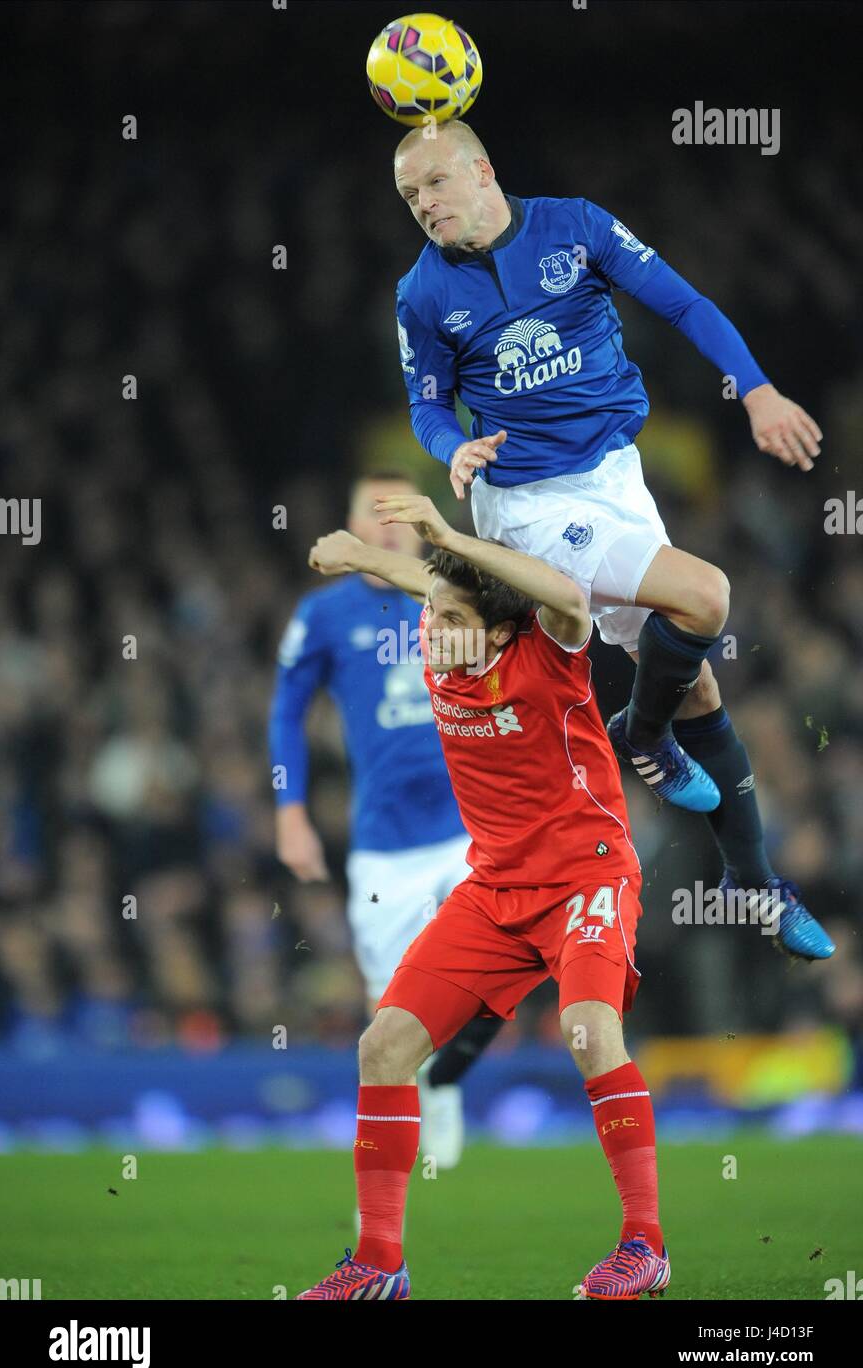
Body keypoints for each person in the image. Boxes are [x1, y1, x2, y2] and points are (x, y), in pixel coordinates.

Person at [391, 119, 833, 962]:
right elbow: (425, 403)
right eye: (412, 196)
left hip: (614, 480)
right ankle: (640, 736)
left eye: (437, 184)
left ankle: (756, 889)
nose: (425, 206)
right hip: (524, 505)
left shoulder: (576, 228)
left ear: (482, 170)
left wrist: (759, 391)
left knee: (696, 685)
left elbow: (683, 302)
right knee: (706, 595)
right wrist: (455, 449)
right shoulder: (420, 291)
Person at [296, 493, 669, 1302]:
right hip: (496, 887)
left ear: (500, 630)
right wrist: (364, 557)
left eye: (449, 616)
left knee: (585, 1026)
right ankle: (379, 1264)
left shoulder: (546, 654)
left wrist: (448, 535)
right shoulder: (450, 639)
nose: (429, 629)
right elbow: (425, 585)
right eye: (430, 612)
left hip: (587, 876)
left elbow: (569, 600)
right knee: (383, 1047)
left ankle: (644, 1245)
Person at [270, 471, 503, 1167]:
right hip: (383, 845)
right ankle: (406, 1145)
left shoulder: (452, 594)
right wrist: (290, 811)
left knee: (498, 974)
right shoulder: (323, 615)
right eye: (371, 513)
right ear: (348, 526)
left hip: (471, 827)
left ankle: (449, 1078)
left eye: (399, 511)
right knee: (393, 1010)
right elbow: (286, 710)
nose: (387, 525)